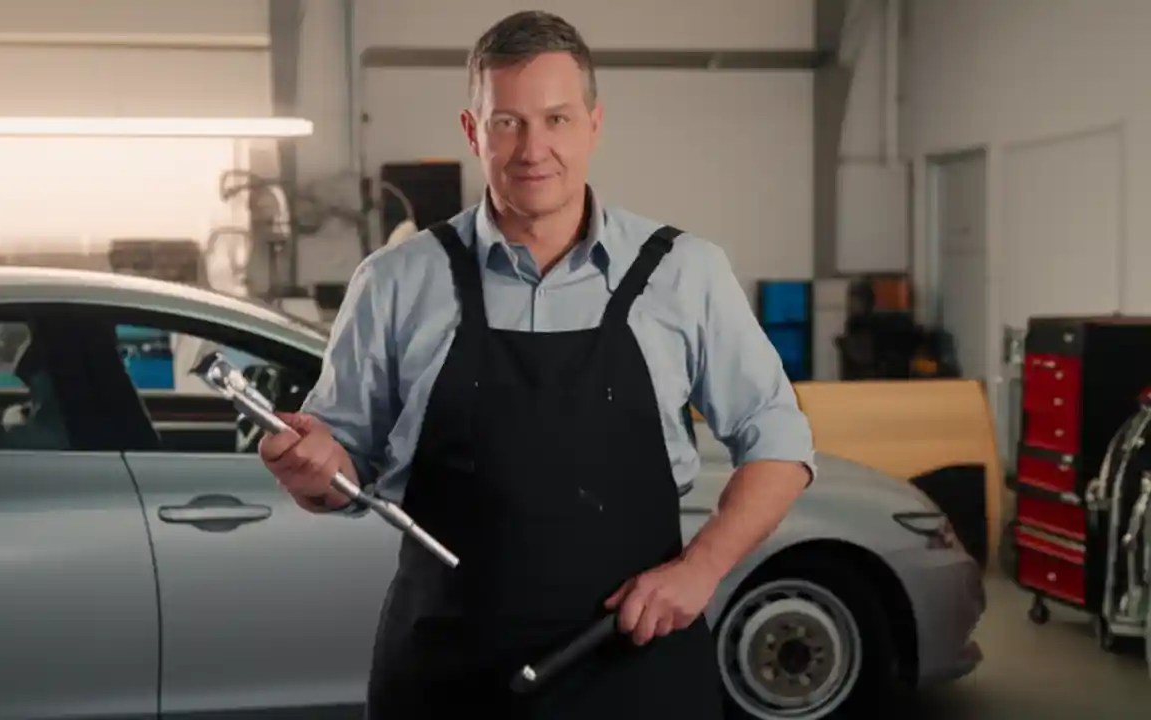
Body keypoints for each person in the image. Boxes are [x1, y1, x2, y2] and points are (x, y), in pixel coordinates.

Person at [259, 10, 815, 719]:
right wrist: (312, 469)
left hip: (635, 667)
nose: (533, 149)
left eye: (555, 119)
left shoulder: (686, 273)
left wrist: (701, 570)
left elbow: (781, 440)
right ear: (472, 130)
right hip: (447, 676)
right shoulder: (396, 281)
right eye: (507, 123)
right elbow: (342, 469)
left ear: (593, 123)